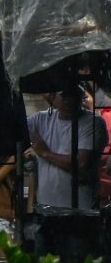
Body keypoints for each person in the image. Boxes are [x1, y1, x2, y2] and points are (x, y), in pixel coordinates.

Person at [27, 78, 102, 211]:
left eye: (74, 95)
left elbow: (80, 163)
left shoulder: (92, 122)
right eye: (64, 95)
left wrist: (45, 153)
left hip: (80, 207)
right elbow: (15, 127)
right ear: (53, 98)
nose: (69, 100)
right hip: (46, 206)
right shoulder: (41, 119)